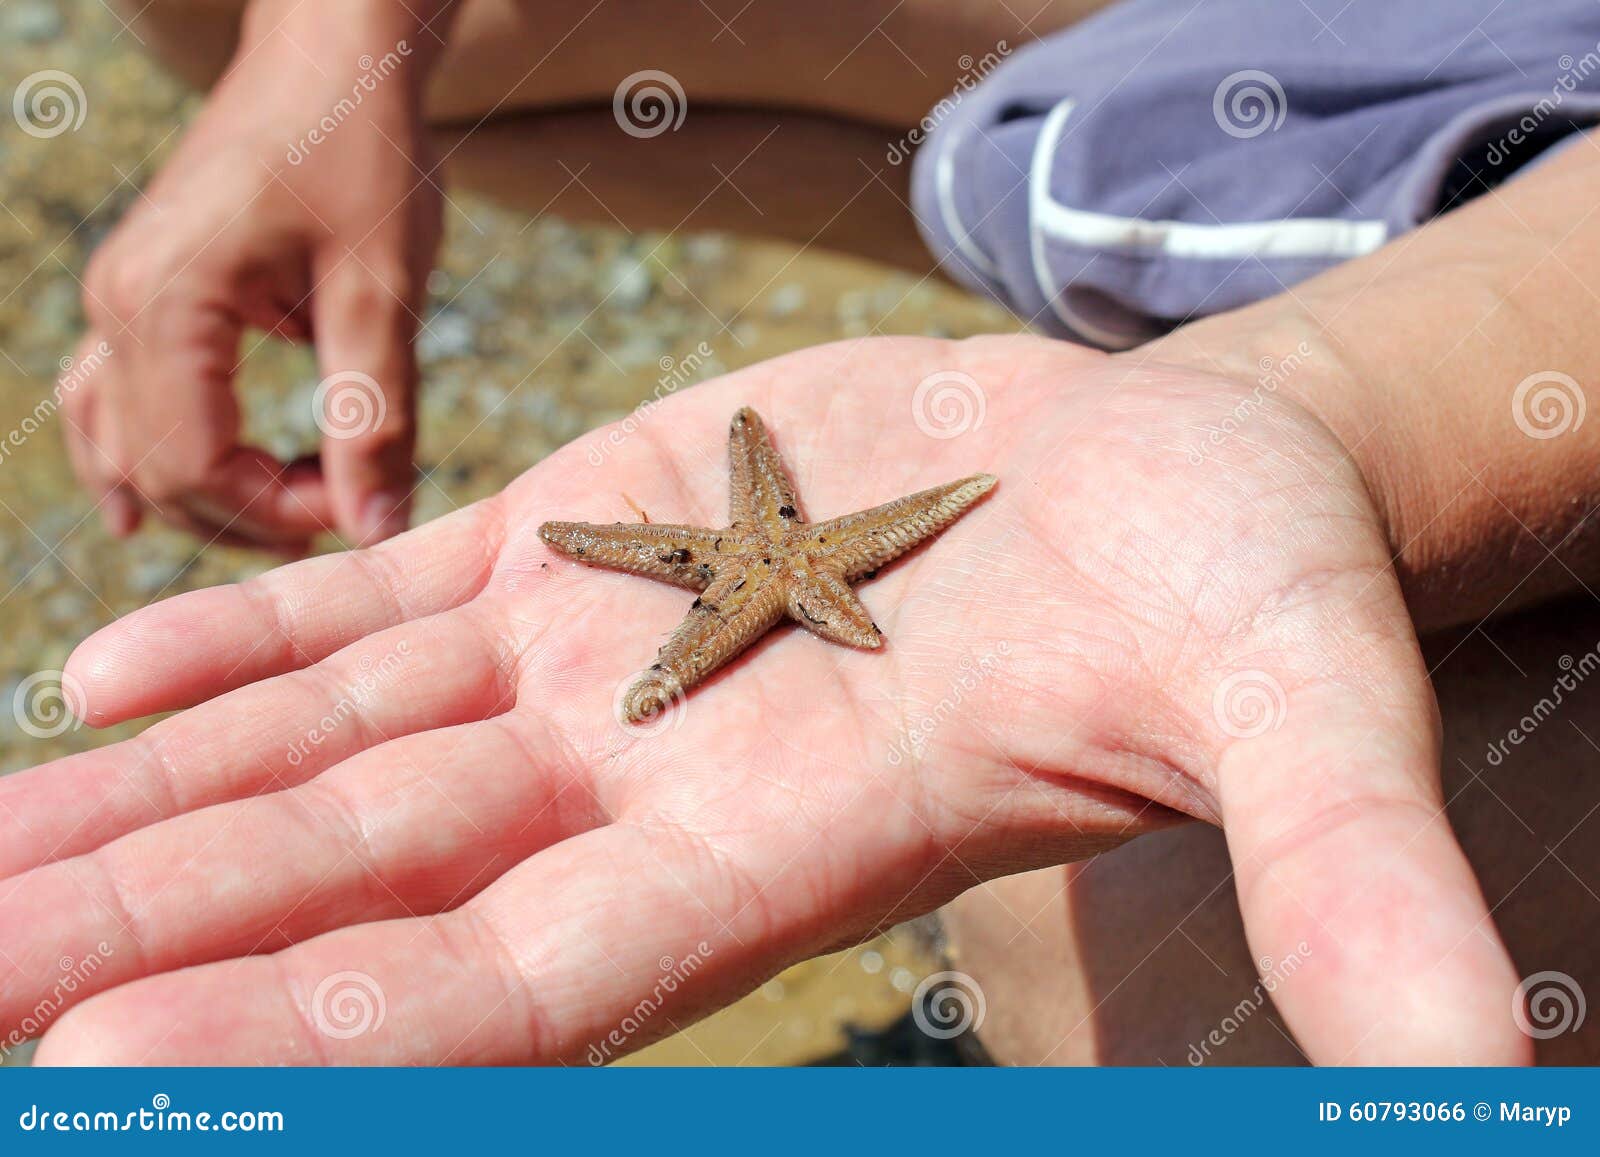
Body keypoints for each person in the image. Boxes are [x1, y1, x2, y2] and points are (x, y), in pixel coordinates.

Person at [4, 0, 1598, 1064]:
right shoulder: (754, 549)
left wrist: (1318, 404)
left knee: (1117, 931)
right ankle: (1154, 262)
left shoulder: (803, 564)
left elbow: (794, 568)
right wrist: (331, 47)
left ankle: (1194, 324)